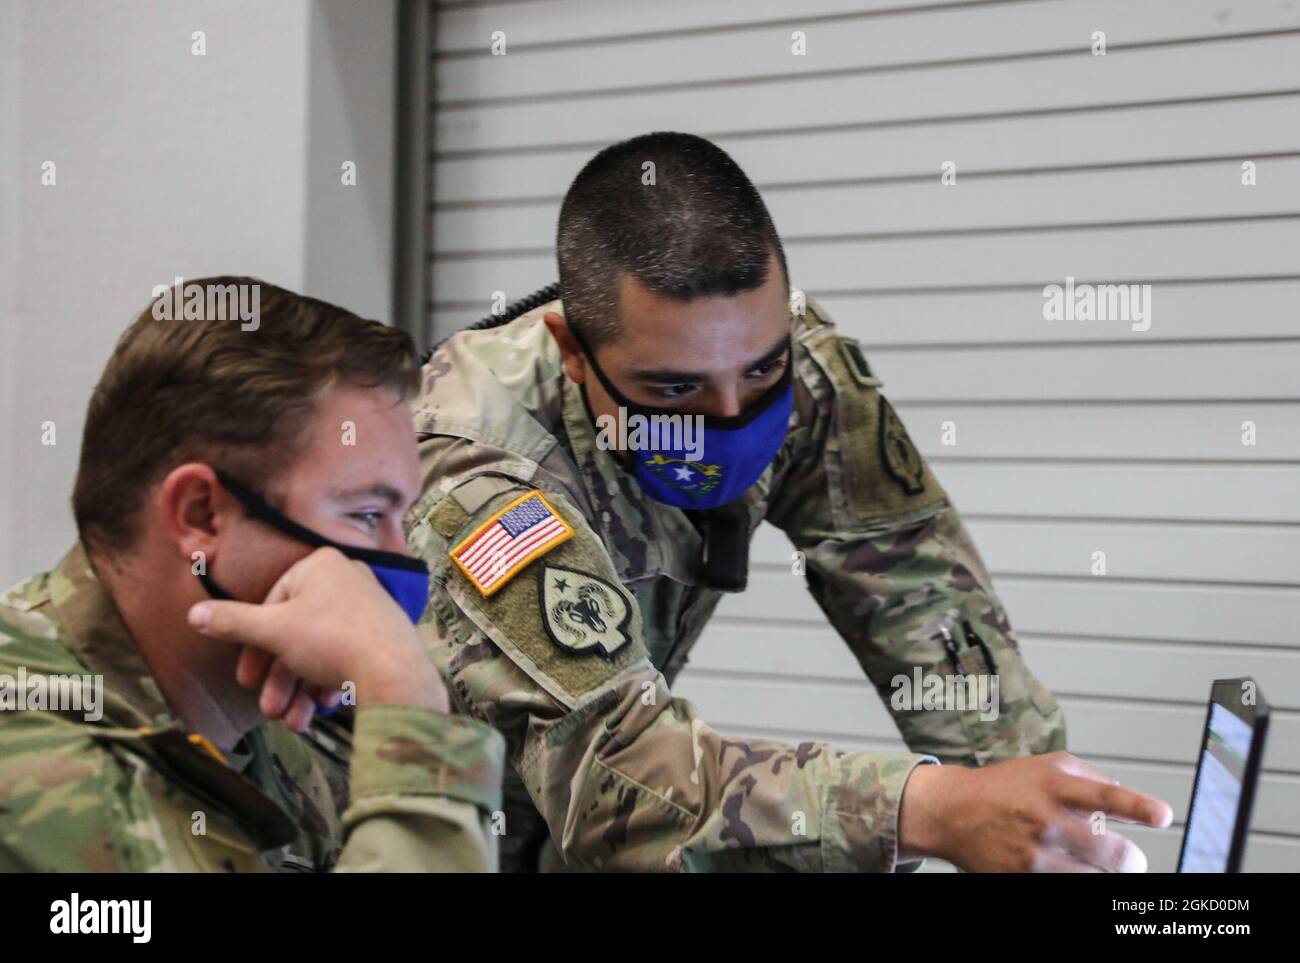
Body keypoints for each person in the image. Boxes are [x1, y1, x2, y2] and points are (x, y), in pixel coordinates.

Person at [407, 132, 1172, 872]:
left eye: (760, 371)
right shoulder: (477, 466)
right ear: (574, 351)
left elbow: (923, 599)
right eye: (676, 389)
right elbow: (612, 773)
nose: (732, 415)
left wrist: (1052, 830)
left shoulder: (794, 365)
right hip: (401, 826)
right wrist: (928, 809)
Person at [0, 278, 503, 872]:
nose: (404, 560)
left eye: (404, 519)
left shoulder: (276, 734)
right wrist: (405, 698)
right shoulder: (42, 776)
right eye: (367, 515)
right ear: (201, 515)